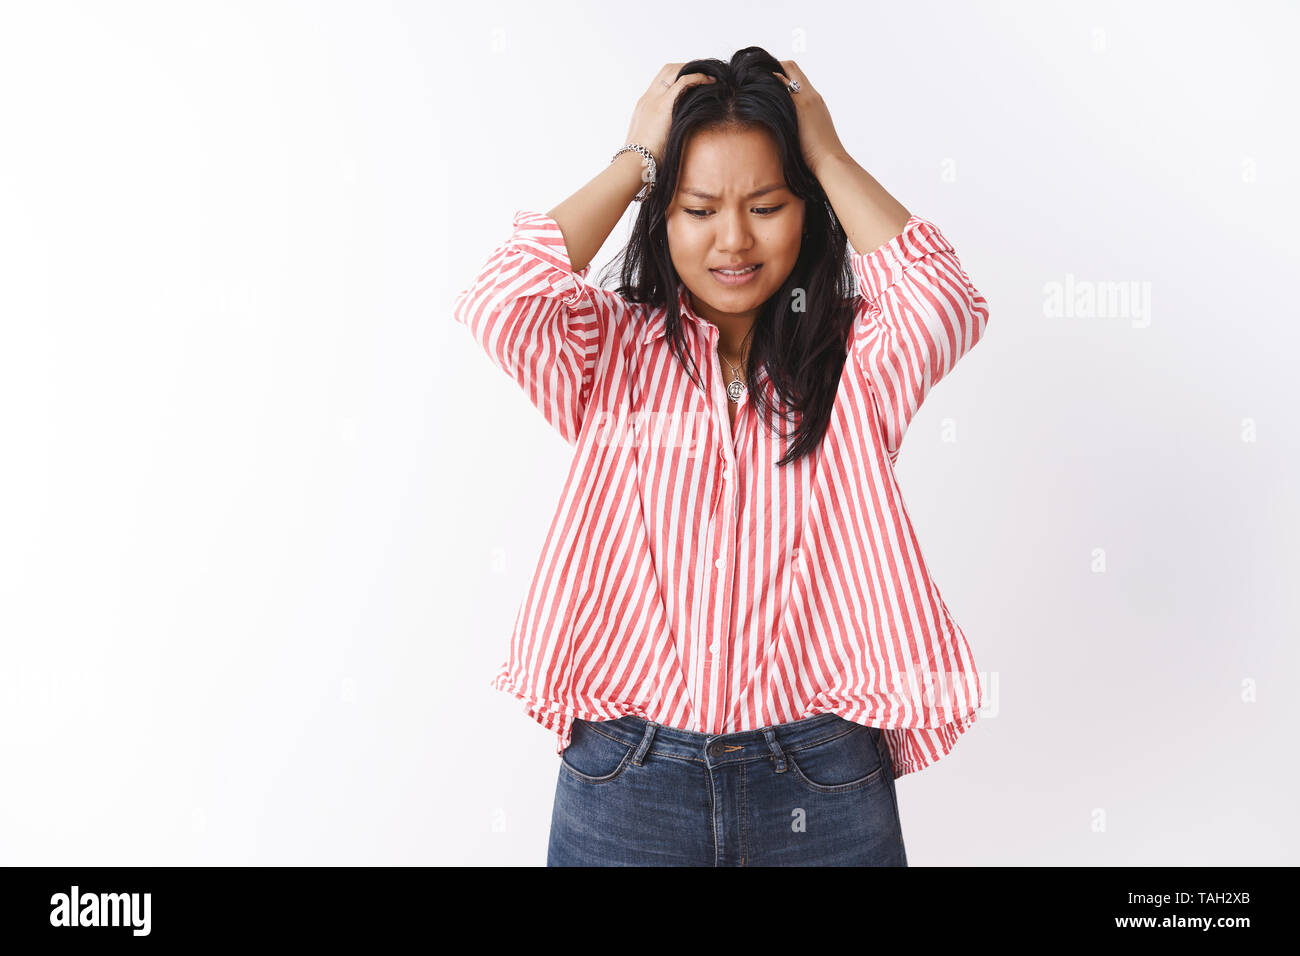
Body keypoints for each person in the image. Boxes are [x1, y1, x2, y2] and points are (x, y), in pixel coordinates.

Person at [452, 46, 990, 866]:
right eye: (699, 208)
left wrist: (827, 153)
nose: (733, 240)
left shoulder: (856, 359)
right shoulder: (608, 350)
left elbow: (943, 299)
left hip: (821, 778)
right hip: (626, 781)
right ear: (660, 213)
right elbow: (499, 298)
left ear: (807, 208)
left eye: (767, 204)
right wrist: (636, 159)